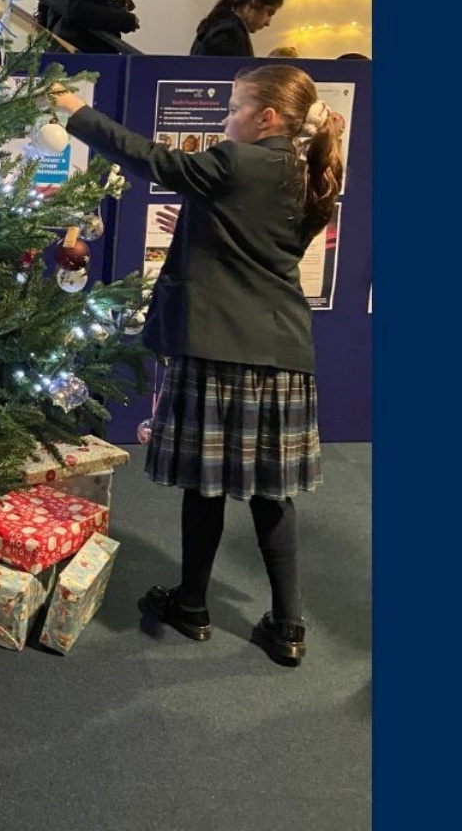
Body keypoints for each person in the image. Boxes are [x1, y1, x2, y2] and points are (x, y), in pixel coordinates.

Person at [52, 64, 343, 667]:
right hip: (283, 354)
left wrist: (73, 111)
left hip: (216, 348)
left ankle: (192, 605)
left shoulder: (237, 163)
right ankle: (289, 626)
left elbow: (154, 161)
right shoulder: (309, 172)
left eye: (234, 108)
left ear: (266, 117)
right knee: (273, 494)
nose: (225, 118)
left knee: (204, 487)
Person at [189, 0, 284, 56]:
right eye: (269, 13)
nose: (268, 23)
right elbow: (237, 75)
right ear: (256, 2)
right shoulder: (230, 34)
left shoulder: (219, 23)